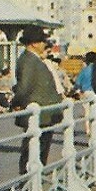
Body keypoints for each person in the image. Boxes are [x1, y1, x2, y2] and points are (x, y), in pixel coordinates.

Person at [12, 27, 63, 174]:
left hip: (44, 114)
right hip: (37, 114)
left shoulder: (33, 59)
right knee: (32, 151)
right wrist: (16, 103)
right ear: (33, 43)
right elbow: (24, 87)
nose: (44, 44)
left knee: (40, 150)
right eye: (42, 41)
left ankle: (34, 181)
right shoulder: (28, 60)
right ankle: (27, 184)